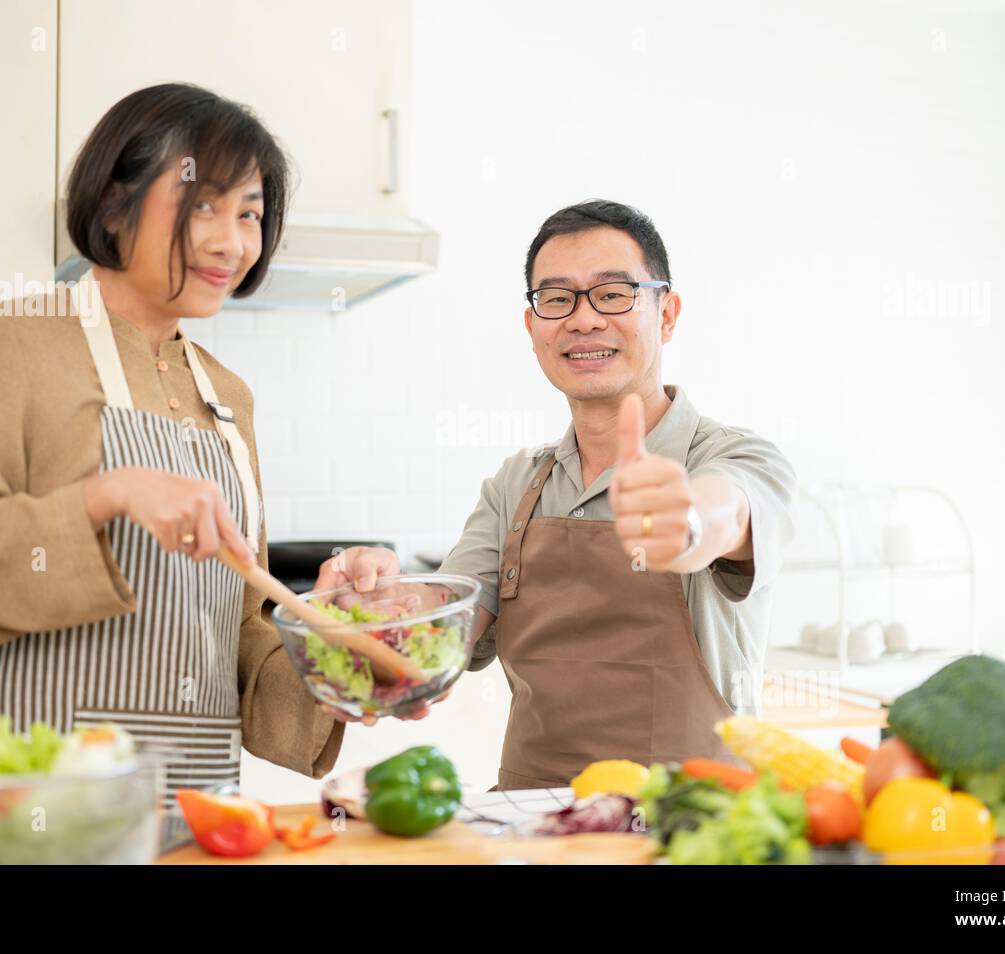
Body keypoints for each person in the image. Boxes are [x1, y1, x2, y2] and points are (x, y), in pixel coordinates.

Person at [0, 83, 344, 802]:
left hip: (184, 809)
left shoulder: (229, 397)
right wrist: (105, 497)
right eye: (203, 208)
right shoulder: (10, 339)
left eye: (250, 214)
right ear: (112, 204)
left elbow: (237, 635)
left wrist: (337, 643)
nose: (233, 241)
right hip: (15, 808)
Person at [316, 200, 796, 789]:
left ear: (666, 314)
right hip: (527, 825)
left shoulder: (734, 458)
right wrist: (383, 606)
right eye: (557, 298)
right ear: (532, 326)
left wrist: (687, 524)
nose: (584, 319)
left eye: (614, 293)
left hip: (689, 829)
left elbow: (725, 511)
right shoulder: (515, 484)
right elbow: (446, 615)